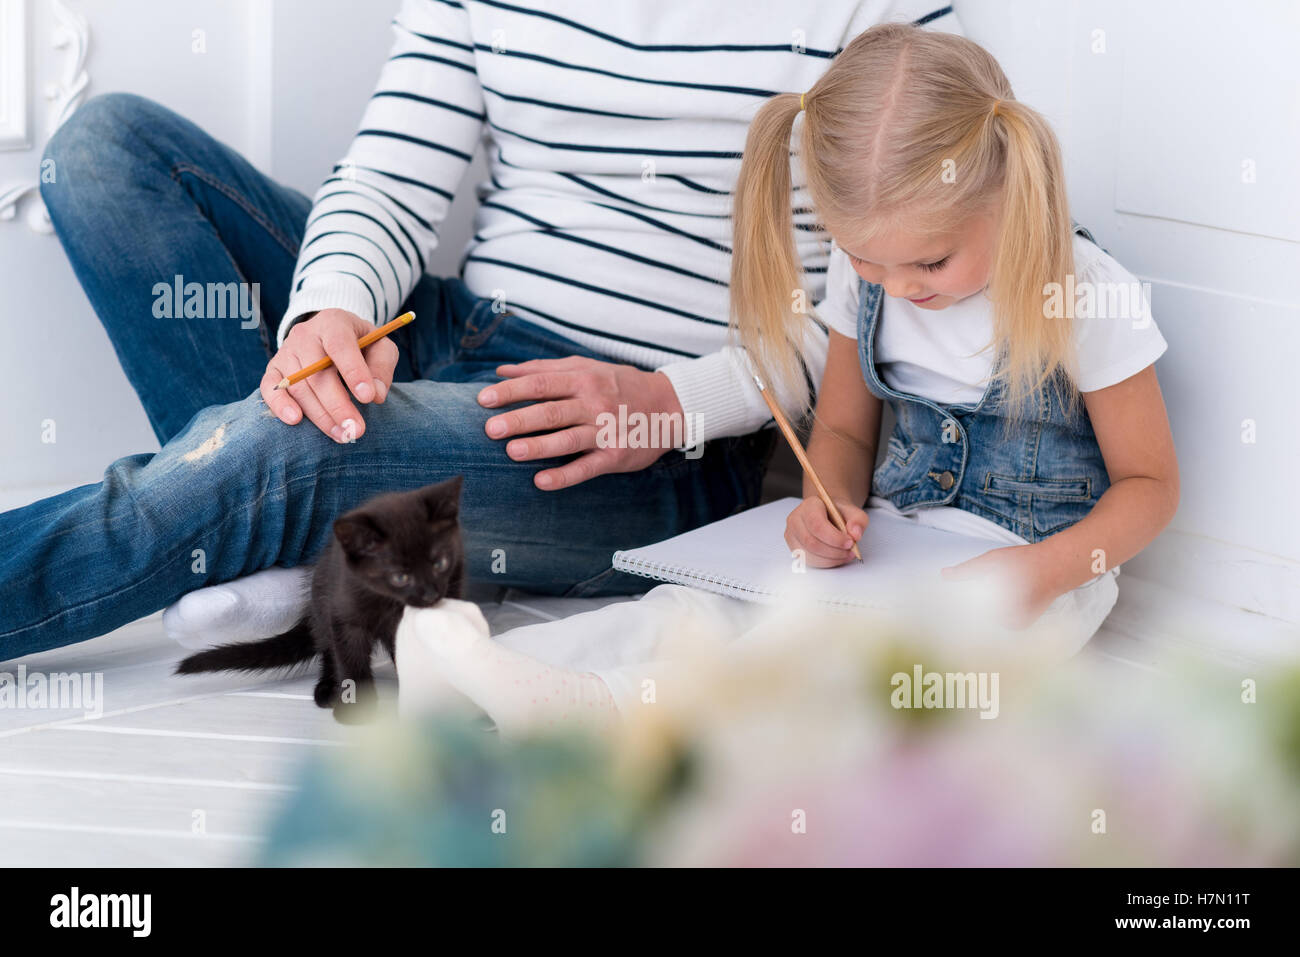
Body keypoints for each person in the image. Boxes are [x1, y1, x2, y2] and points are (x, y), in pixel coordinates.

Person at [0, 1, 961, 657]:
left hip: (650, 432)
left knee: (281, 443)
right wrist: (329, 310)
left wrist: (670, 403)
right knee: (104, 152)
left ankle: (282, 515)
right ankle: (301, 548)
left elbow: (864, 298)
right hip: (458, 327)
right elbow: (390, 175)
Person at [391, 23, 1179, 736]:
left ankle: (611, 715)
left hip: (1030, 580)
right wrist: (823, 503)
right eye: (869, 258)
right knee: (712, 607)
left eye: (931, 262)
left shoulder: (1082, 291)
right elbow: (838, 431)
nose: (897, 286)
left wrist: (1041, 573)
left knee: (843, 667)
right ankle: (484, 673)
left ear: (1005, 190)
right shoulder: (865, 277)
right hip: (890, 550)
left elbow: (1150, 485)